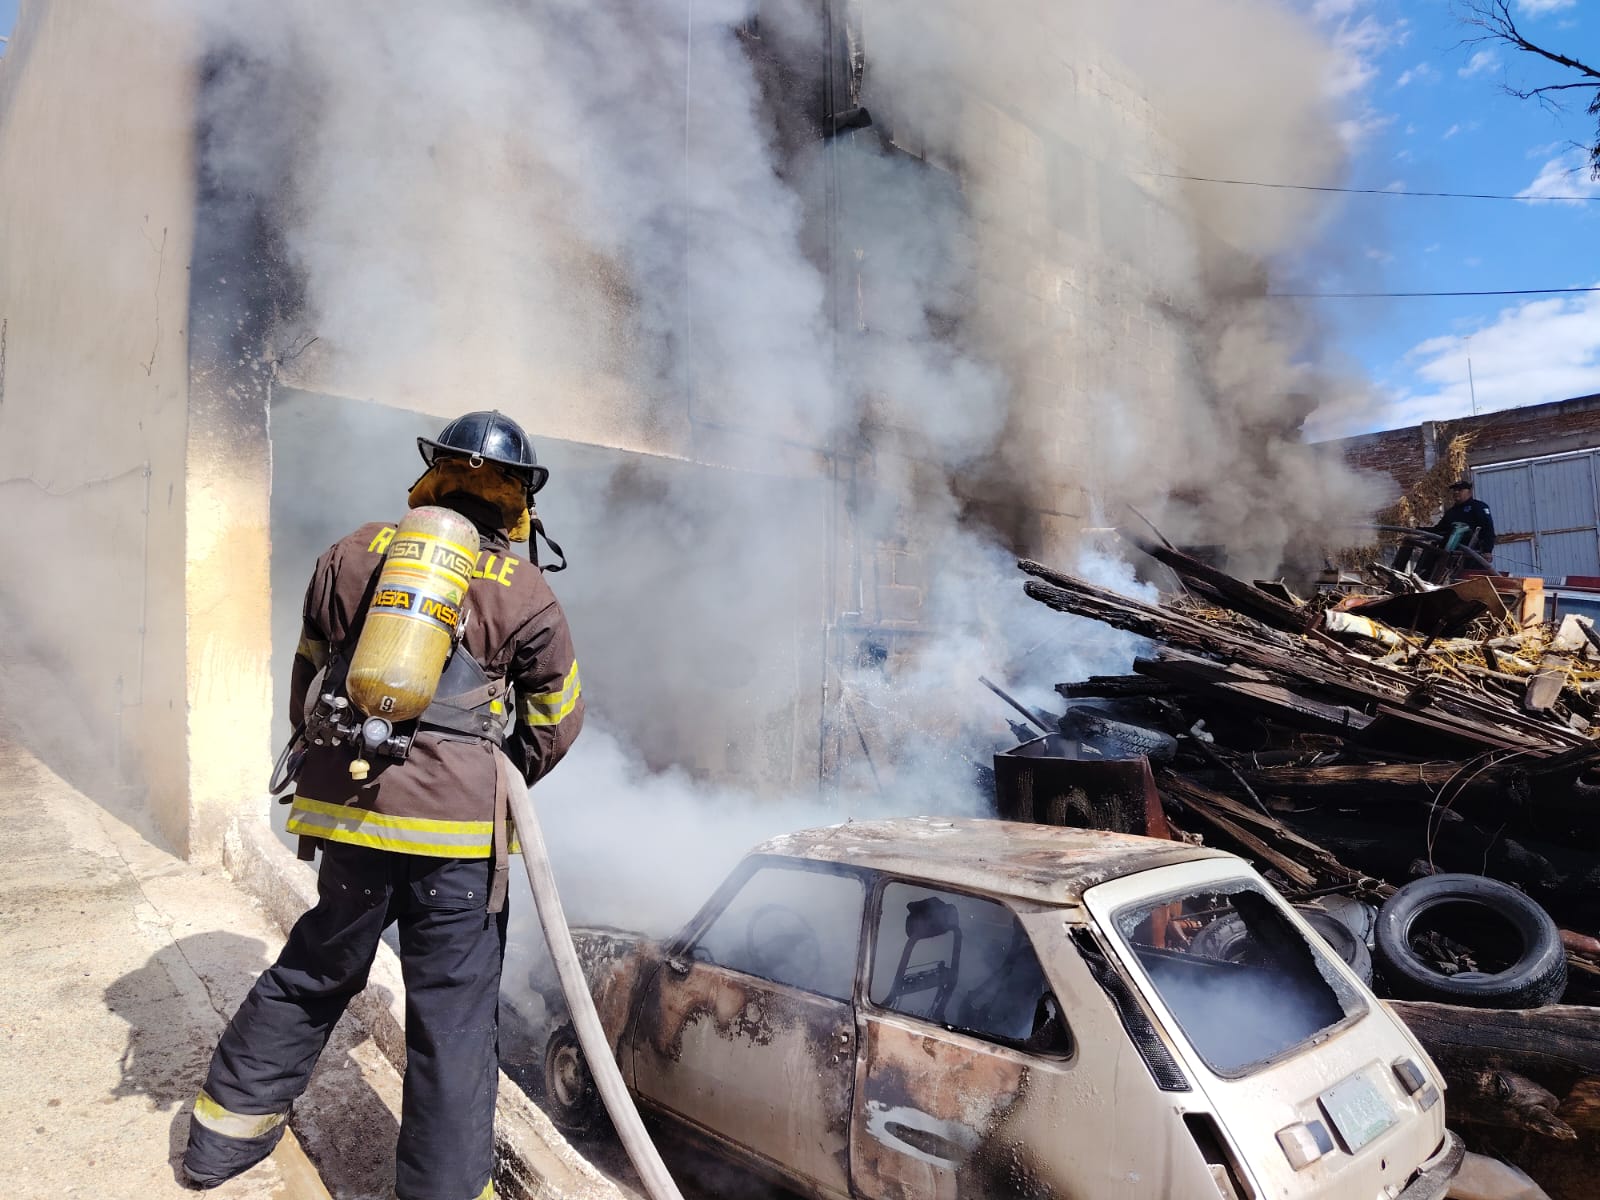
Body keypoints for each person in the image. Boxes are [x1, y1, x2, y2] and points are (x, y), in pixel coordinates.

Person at [182, 411, 584, 1200]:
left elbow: (307, 680)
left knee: (316, 971)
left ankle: (215, 1147)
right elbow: (556, 718)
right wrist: (490, 781)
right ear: (515, 499)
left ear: (434, 476)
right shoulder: (525, 590)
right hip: (456, 843)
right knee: (453, 1023)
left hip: (351, 817)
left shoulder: (352, 553)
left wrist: (339, 761)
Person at [1432, 478, 1496, 561]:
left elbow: (1488, 529)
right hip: (1452, 555)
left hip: (1473, 554)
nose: (1456, 492)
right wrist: (1417, 530)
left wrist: (1488, 550)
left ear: (1469, 492)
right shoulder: (1451, 512)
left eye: (1460, 490)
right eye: (1454, 490)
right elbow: (1439, 529)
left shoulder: (1478, 507)